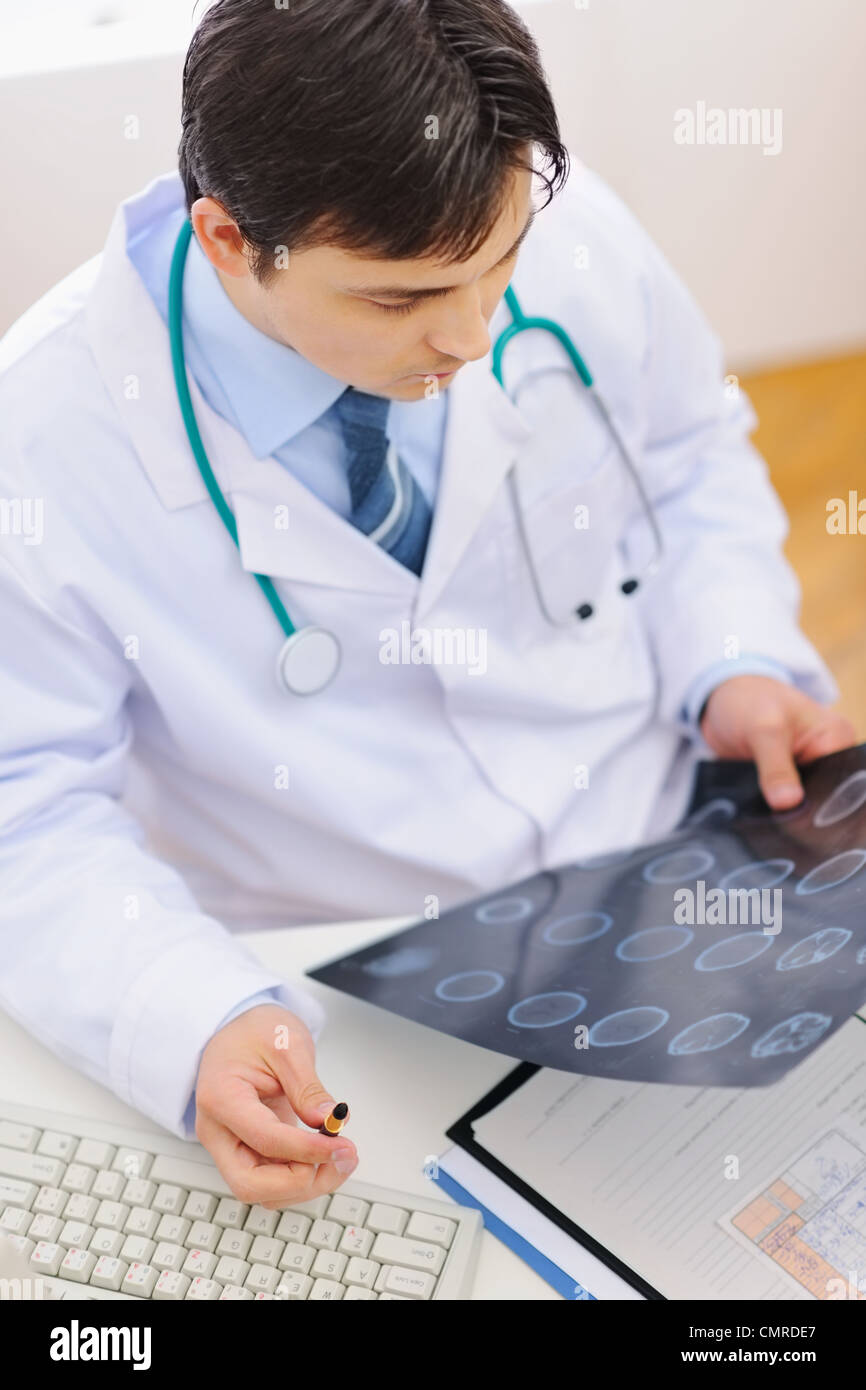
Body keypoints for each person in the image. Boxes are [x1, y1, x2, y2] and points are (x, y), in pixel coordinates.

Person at [0, 0, 854, 1210]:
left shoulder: (567, 231)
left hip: (666, 857)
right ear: (231, 239)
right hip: (353, 982)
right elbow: (22, 808)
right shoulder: (41, 440)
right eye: (400, 300)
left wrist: (733, 663)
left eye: (499, 265)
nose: (470, 332)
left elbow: (684, 454)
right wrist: (194, 1020)